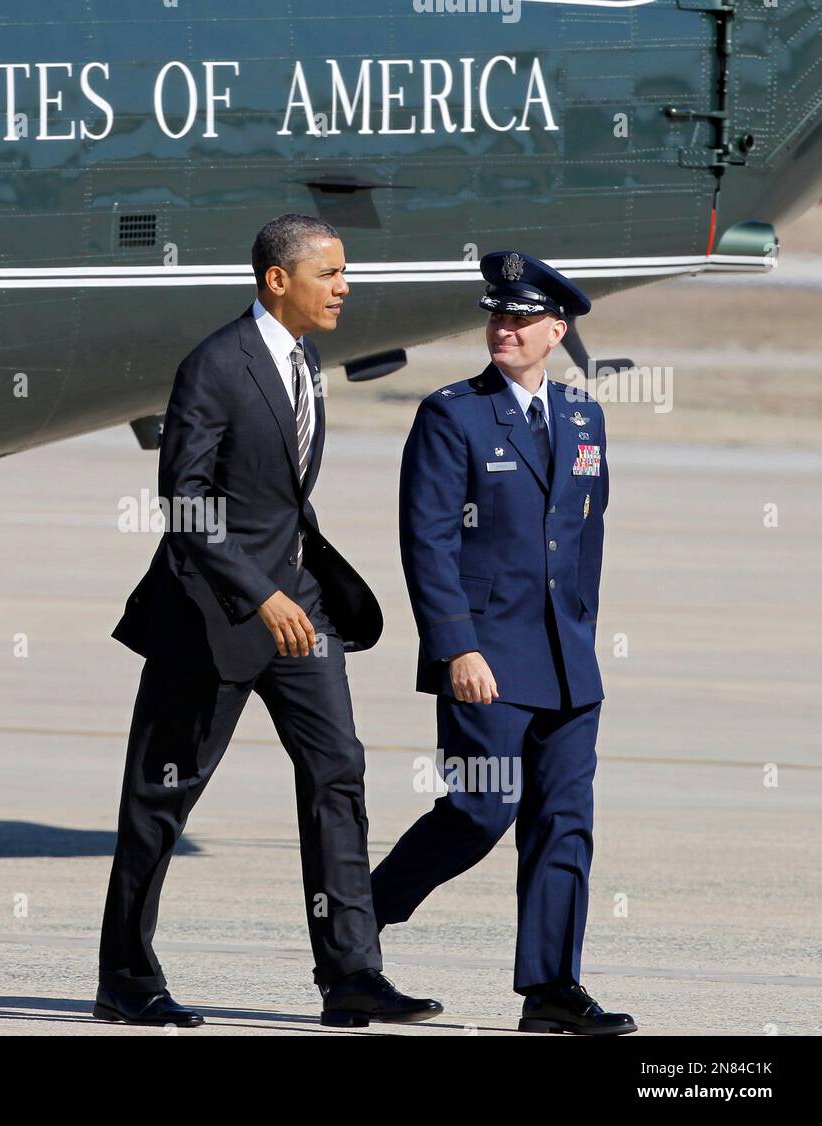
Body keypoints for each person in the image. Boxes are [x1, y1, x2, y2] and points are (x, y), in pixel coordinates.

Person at [96, 214, 442, 1028]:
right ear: (277, 280)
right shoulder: (214, 367)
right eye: (329, 273)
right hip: (213, 615)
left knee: (337, 773)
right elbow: (185, 503)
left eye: (343, 272)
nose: (344, 287)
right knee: (160, 799)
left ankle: (352, 972)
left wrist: (294, 588)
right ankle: (126, 977)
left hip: (301, 612)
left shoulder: (305, 360)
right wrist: (258, 591)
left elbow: (281, 493)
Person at [372, 250, 636, 1035]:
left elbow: (586, 536)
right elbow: (426, 544)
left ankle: (552, 991)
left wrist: (583, 629)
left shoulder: (584, 416)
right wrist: (457, 647)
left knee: (564, 820)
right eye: (498, 316)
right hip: (485, 659)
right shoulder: (453, 414)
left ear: (556, 330)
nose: (506, 330)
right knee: (481, 808)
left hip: (566, 663)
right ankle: (356, 920)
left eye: (522, 319)